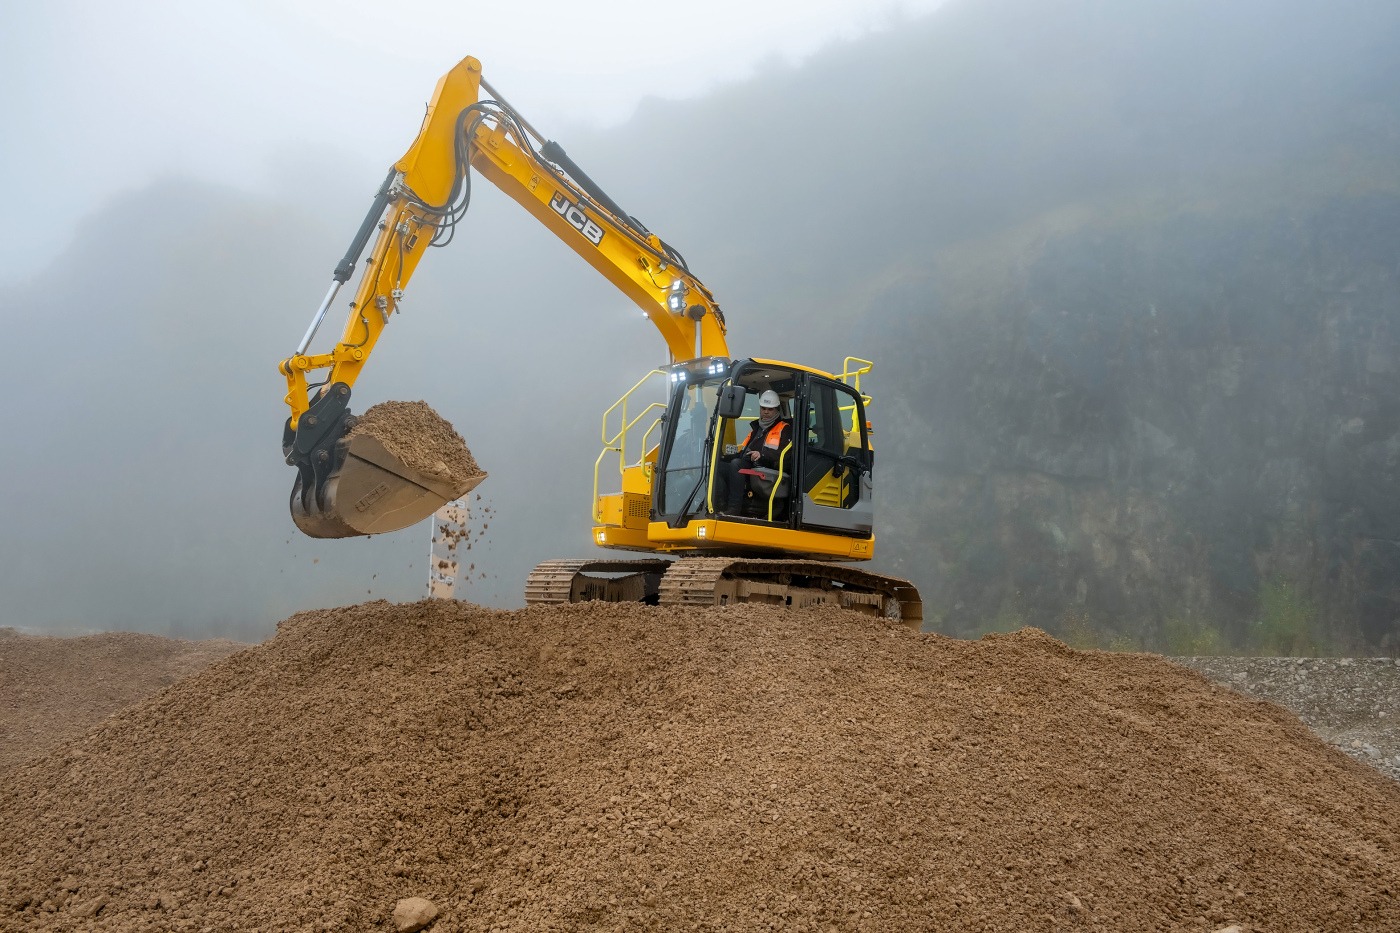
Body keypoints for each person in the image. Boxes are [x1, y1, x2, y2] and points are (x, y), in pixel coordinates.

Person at [714, 389, 793, 516]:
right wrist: (722, 457)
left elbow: (786, 454)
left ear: (777, 410)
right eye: (763, 408)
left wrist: (762, 455)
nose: (766, 412)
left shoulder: (785, 429)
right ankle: (720, 506)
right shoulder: (757, 429)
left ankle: (734, 509)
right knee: (718, 466)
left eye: (770, 409)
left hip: (767, 468)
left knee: (736, 465)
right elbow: (743, 453)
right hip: (749, 464)